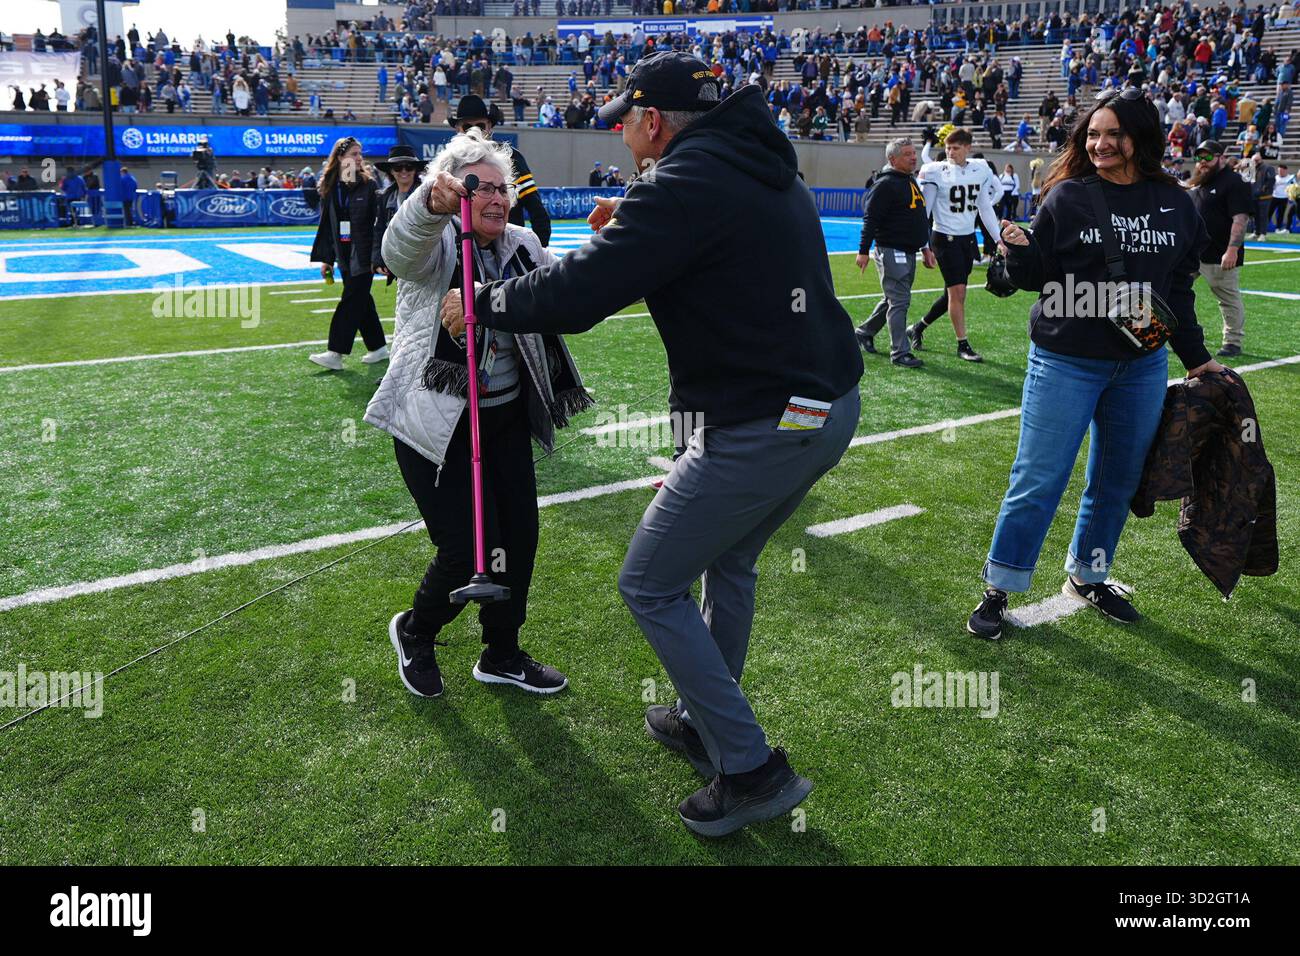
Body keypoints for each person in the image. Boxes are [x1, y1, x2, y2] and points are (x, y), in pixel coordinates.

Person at [439, 52, 863, 837]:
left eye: (626, 122)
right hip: (826, 409)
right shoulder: (760, 167)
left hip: (761, 420)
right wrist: (631, 233)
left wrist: (485, 300)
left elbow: (578, 298)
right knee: (730, 562)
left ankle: (751, 768)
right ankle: (707, 728)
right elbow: (695, 258)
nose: (623, 136)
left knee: (649, 584)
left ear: (654, 122)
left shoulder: (680, 184)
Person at [967, 87, 1224, 641]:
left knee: (1115, 479)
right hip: (1066, 359)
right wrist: (1016, 249)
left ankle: (1089, 575)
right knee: (1039, 476)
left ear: (1140, 138)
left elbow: (1177, 289)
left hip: (1142, 365)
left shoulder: (1177, 202)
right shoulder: (1068, 197)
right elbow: (1035, 278)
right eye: (1093, 134)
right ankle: (1000, 586)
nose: (1100, 144)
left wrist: (1197, 360)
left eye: (1114, 134)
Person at [365, 130, 590, 698]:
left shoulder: (522, 243)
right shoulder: (438, 241)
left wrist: (617, 243)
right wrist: (428, 204)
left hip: (507, 417)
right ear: (454, 190)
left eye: (503, 187)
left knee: (517, 538)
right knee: (464, 547)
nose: (496, 197)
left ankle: (502, 653)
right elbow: (397, 249)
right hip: (437, 428)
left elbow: (566, 289)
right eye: (480, 187)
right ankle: (416, 631)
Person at [907, 127, 1003, 363]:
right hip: (944, 239)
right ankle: (963, 344)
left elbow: (985, 207)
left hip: (967, 239)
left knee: (952, 294)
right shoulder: (935, 171)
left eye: (955, 148)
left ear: (968, 148)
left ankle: (917, 327)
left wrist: (999, 239)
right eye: (948, 147)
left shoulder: (980, 169)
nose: (950, 152)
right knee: (958, 292)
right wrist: (924, 246)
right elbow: (925, 212)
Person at [308, 136, 389, 370]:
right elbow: (327, 225)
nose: (359, 158)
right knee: (361, 300)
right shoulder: (331, 186)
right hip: (343, 255)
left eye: (360, 154)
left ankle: (335, 352)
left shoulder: (369, 184)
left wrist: (378, 257)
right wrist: (327, 259)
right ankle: (378, 347)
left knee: (351, 300)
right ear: (341, 157)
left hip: (363, 254)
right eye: (354, 154)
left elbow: (379, 223)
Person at [853, 137, 934, 368]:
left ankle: (864, 332)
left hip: (908, 250)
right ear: (892, 159)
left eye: (914, 152)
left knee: (893, 299)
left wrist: (925, 247)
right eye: (907, 154)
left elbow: (918, 217)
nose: (913, 157)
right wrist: (863, 251)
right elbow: (871, 218)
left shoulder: (907, 180)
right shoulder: (886, 184)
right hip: (891, 249)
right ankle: (899, 352)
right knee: (900, 301)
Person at [448, 94, 551, 246]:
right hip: (463, 253)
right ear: (458, 129)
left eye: (479, 126)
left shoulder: (511, 158)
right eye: (467, 127)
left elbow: (536, 210)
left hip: (507, 250)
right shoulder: (450, 163)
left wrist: (537, 254)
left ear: (489, 126)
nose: (473, 132)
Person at [1187, 141, 1253, 358]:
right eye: (1198, 158)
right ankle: (1164, 333)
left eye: (1207, 157)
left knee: (1227, 299)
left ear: (1220, 157)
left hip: (1219, 254)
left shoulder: (1234, 181)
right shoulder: (1200, 181)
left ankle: (1233, 341)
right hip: (1193, 253)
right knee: (1169, 289)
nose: (1202, 162)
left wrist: (1232, 249)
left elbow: (1240, 218)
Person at [372, 145, 423, 294]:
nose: (404, 172)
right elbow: (379, 229)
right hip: (397, 262)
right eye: (398, 168)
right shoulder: (384, 197)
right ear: (391, 172)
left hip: (424, 260)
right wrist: (378, 259)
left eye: (409, 167)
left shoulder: (427, 194)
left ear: (416, 170)